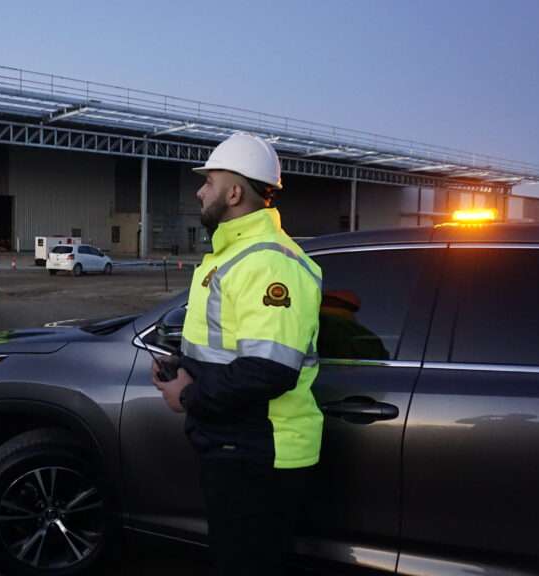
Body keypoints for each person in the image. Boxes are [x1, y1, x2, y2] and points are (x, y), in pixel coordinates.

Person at [152, 132, 323, 575]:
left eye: (209, 181)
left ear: (233, 192)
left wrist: (187, 397)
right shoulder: (236, 255)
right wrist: (183, 367)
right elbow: (229, 349)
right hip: (235, 444)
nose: (199, 190)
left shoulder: (269, 263)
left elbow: (269, 370)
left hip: (260, 452)